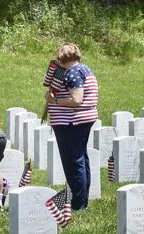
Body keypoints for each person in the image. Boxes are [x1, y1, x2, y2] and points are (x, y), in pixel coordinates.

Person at [45, 42, 99, 212]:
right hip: (82, 121)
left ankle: (78, 203)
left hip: (71, 122)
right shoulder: (85, 69)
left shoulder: (72, 73)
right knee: (81, 160)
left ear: (61, 58)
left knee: (73, 162)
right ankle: (82, 200)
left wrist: (53, 100)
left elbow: (76, 100)